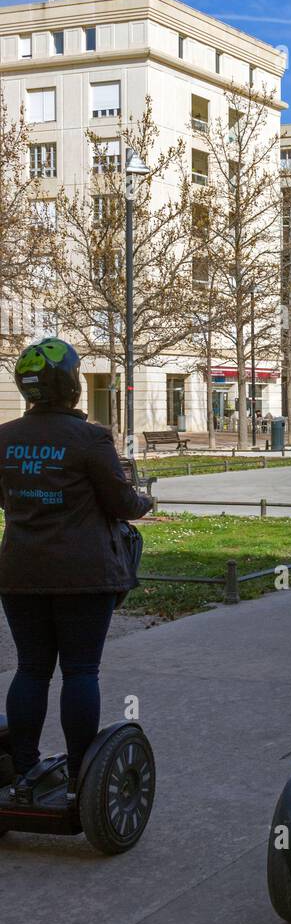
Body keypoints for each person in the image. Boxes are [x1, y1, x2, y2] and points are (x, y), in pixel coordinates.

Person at [0, 338, 152, 795]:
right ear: (71, 385)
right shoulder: (89, 438)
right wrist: (146, 499)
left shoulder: (4, 438)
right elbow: (122, 502)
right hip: (82, 575)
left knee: (31, 669)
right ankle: (83, 777)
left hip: (20, 572)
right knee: (81, 672)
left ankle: (24, 766)